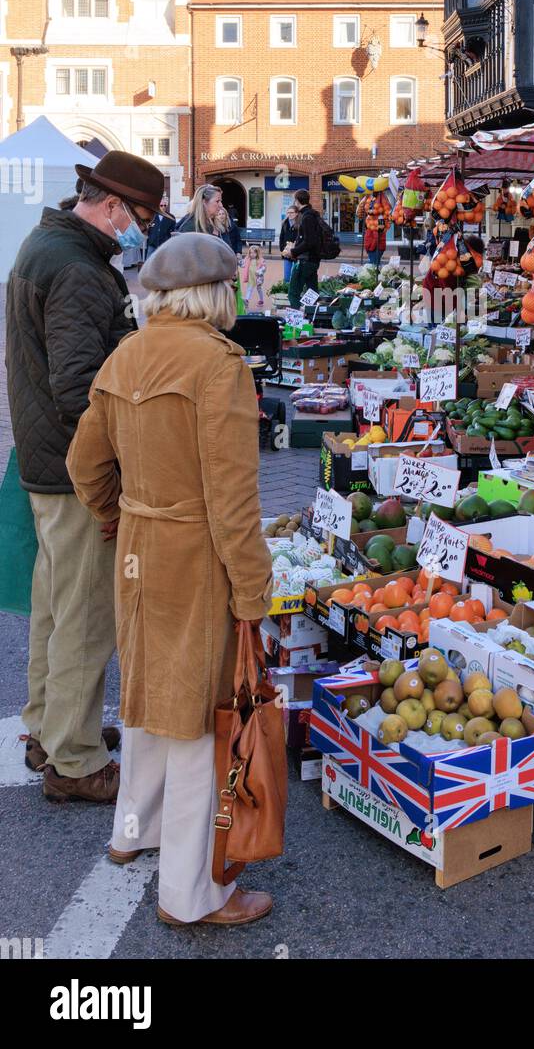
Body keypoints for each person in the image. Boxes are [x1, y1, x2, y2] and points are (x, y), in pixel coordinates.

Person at [66, 233, 274, 927]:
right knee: (196, 723)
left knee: (148, 694)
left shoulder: (127, 352)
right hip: (193, 554)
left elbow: (83, 464)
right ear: (217, 293)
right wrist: (253, 594)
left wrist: (113, 516)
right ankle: (191, 895)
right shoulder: (219, 365)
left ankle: (134, 831)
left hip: (139, 542)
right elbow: (233, 501)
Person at [6, 151, 165, 801]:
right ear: (114, 207)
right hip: (74, 467)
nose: (143, 233)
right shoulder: (75, 269)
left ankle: (48, 725)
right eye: (144, 219)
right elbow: (80, 387)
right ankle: (73, 760)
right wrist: (110, 473)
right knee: (84, 615)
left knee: (53, 606)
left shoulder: (48, 245)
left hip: (45, 459)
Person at [287, 189, 322, 307]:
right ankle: (312, 317)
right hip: (313, 260)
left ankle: (295, 321)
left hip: (305, 260)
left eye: (295, 200)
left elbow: (309, 241)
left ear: (297, 201)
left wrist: (293, 251)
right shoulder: (312, 214)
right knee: (312, 292)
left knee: (293, 293)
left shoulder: (307, 217)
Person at [242, 245, 267, 310]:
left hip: (258, 278)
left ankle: (261, 300)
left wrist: (260, 271)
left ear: (257, 253)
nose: (252, 254)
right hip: (251, 277)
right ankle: (247, 300)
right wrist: (239, 262)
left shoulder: (261, 260)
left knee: (259, 289)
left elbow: (264, 268)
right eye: (250, 253)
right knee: (249, 288)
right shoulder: (247, 259)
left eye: (254, 253)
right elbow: (243, 264)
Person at [279, 205, 298, 285]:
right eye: (288, 212)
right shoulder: (285, 223)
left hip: (296, 253)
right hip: (286, 253)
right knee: (287, 277)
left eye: (292, 212)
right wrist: (282, 249)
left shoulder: (300, 223)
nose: (289, 214)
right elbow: (281, 237)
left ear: (297, 213)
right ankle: (286, 290)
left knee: (295, 275)